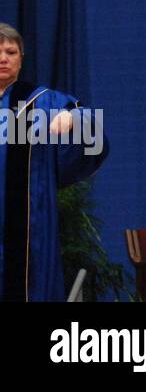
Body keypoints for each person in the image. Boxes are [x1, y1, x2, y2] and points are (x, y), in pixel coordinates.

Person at [0, 23, 109, 302]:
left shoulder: (39, 102)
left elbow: (94, 130)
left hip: (26, 224)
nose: (3, 58)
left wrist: (74, 120)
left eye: (11, 52)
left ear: (21, 58)